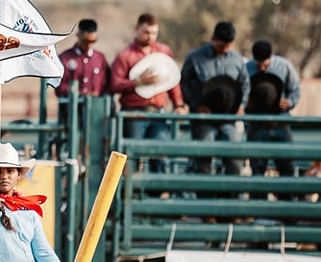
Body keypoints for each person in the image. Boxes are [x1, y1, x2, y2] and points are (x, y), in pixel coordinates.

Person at [0, 143, 71, 262]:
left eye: (10, 171)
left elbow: (43, 252)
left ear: (18, 175)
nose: (4, 176)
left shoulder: (28, 210)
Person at [110, 14, 186, 172]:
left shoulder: (164, 52)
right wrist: (137, 82)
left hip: (158, 113)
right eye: (146, 32)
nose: (150, 37)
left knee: (160, 154)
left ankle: (158, 193)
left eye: (154, 33)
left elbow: (172, 81)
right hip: (134, 113)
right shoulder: (125, 56)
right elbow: (115, 84)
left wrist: (178, 103)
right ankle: (131, 193)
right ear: (137, 29)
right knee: (132, 156)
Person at [181, 21, 250, 176]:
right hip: (204, 118)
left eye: (227, 46)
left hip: (229, 119)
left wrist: (241, 105)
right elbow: (183, 83)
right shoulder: (195, 58)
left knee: (234, 161)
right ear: (212, 38)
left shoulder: (238, 60)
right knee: (203, 160)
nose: (224, 49)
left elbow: (245, 85)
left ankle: (231, 197)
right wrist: (195, 105)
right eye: (220, 45)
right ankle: (204, 198)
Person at [246, 39, 302, 179]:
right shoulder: (247, 69)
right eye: (259, 65)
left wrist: (289, 102)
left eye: (265, 65)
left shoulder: (284, 66)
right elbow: (240, 91)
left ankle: (287, 198)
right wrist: (246, 104)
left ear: (271, 58)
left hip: (280, 121)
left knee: (286, 164)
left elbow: (295, 89)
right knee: (257, 166)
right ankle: (258, 199)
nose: (262, 69)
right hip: (257, 123)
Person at [57, 20, 110, 113]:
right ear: (78, 35)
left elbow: (108, 84)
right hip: (72, 110)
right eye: (86, 41)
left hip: (95, 110)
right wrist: (78, 93)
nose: (89, 44)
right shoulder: (65, 58)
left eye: (93, 41)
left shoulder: (100, 59)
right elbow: (58, 85)